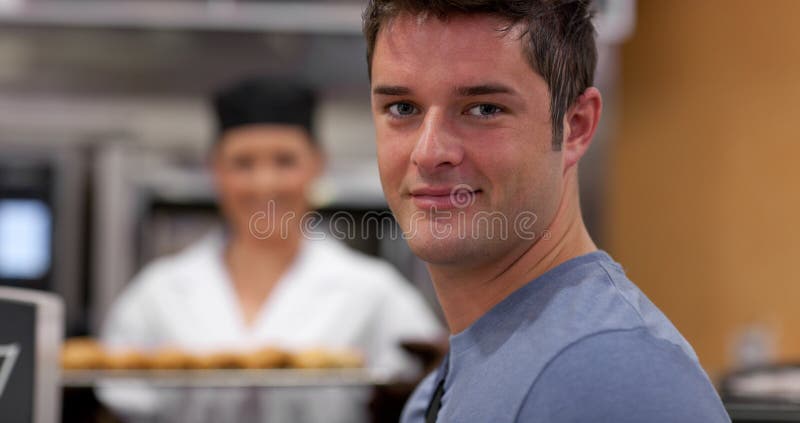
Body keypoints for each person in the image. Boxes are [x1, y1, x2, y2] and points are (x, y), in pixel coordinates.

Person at [362, 1, 731, 422]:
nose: (429, 153)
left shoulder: (612, 377)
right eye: (403, 108)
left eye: (484, 109)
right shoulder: (447, 384)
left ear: (575, 126)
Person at [99, 77, 443, 422]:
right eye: (243, 163)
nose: (265, 183)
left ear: (316, 165)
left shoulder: (373, 291)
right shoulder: (158, 293)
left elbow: (436, 389)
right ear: (215, 170)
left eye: (285, 161)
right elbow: (116, 406)